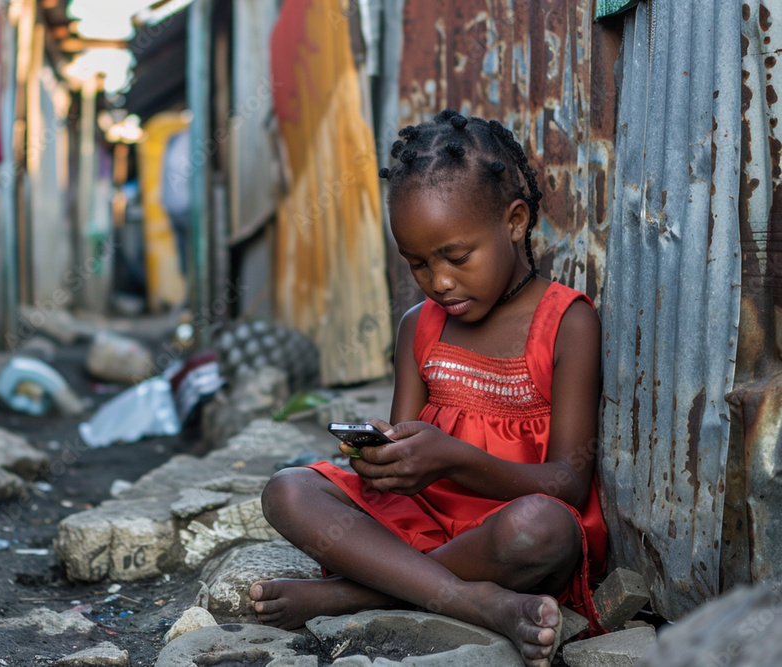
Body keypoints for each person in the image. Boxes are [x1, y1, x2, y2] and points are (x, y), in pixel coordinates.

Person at [249, 109, 607, 667]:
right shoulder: (420, 325)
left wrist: (455, 460)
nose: (439, 281)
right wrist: (381, 458)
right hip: (421, 521)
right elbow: (399, 454)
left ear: (515, 221)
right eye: (417, 264)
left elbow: (568, 483)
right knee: (288, 490)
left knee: (542, 529)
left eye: (457, 257)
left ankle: (354, 593)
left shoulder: (568, 323)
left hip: (503, 527)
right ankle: (479, 603)